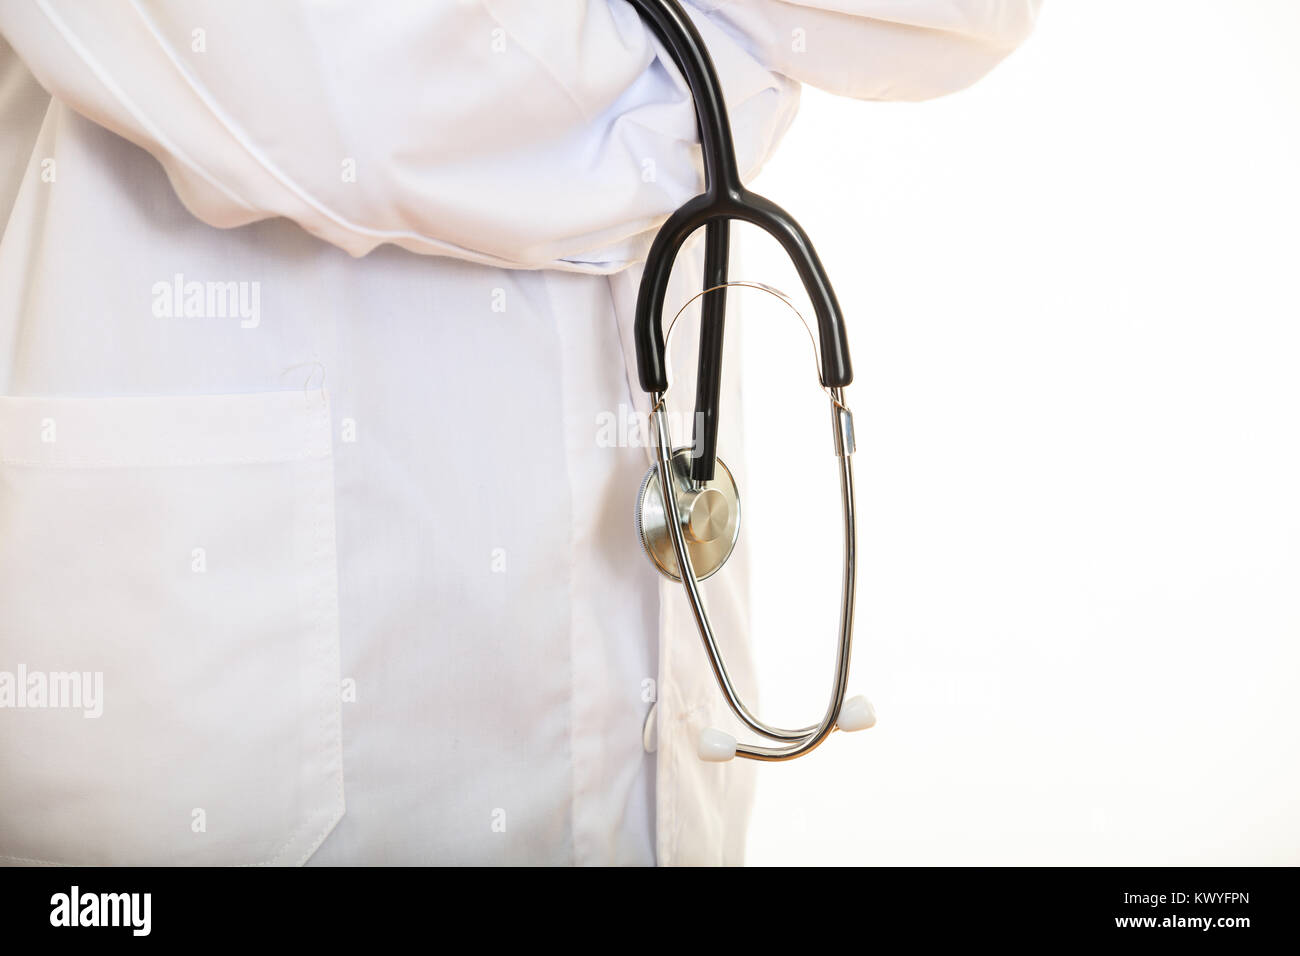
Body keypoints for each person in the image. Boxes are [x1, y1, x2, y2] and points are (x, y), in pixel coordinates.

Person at [0, 0, 1039, 866]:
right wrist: (702, 77)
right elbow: (336, 79)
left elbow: (946, 16)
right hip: (220, 702)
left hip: (649, 736)